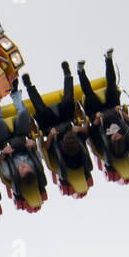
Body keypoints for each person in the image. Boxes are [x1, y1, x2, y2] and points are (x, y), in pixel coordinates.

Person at [24, 63, 94, 193]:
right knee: (68, 101)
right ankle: (67, 74)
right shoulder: (82, 156)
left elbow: (46, 147)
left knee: (42, 110)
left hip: (50, 128)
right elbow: (88, 133)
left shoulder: (59, 162)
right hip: (66, 122)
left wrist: (51, 135)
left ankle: (28, 85)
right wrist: (78, 130)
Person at [77, 49, 129, 173]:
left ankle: (80, 71)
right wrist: (121, 112)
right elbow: (128, 121)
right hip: (113, 109)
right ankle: (108, 59)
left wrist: (96, 119)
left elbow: (92, 131)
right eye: (120, 136)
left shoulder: (102, 144)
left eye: (116, 137)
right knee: (112, 87)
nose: (118, 135)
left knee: (90, 96)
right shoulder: (125, 136)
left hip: (98, 114)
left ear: (112, 142)